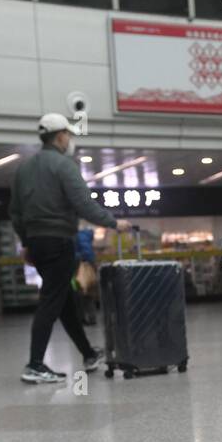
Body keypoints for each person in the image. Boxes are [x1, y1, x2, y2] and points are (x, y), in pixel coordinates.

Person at [10, 112, 131, 384]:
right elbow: (84, 204)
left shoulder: (23, 169)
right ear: (61, 135)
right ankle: (35, 364)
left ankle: (88, 353)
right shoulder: (64, 166)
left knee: (63, 302)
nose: (69, 140)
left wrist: (27, 242)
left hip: (38, 243)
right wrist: (114, 223)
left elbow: (15, 212)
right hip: (59, 241)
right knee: (51, 302)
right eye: (69, 135)